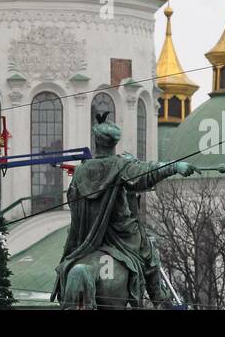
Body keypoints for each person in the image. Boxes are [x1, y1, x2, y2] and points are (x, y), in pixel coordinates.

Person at [52, 116, 195, 308]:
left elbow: (73, 202)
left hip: (86, 237)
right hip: (119, 233)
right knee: (149, 253)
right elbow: (145, 174)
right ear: (113, 144)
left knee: (69, 261)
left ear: (96, 142)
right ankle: (159, 298)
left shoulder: (80, 171)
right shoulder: (120, 166)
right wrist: (175, 166)